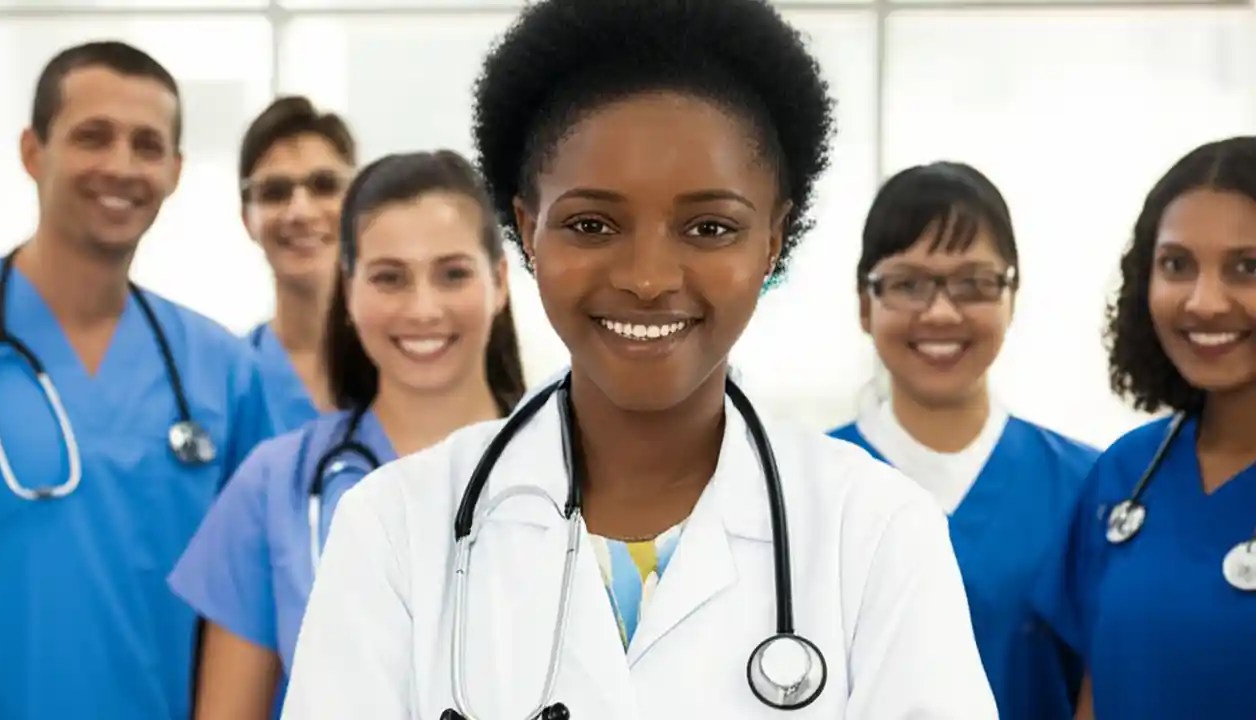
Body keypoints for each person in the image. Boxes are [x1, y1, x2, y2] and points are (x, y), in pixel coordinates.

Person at [280, 1, 998, 717]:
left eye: (709, 227)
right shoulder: (395, 529)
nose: (648, 278)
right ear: (528, 231)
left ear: (772, 242)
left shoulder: (875, 531)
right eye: (592, 224)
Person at [168, 150, 527, 720]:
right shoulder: (275, 486)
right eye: (389, 278)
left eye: (453, 273)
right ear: (349, 290)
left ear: (500, 281)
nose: (423, 308)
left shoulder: (570, 467)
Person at [0, 41, 273, 720]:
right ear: (32, 151)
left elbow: (250, 605)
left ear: (174, 171)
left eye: (147, 145)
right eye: (92, 136)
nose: (120, 165)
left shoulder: (224, 371)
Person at [827, 161, 1099, 719]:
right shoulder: (805, 488)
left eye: (974, 283)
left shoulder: (1091, 489)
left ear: (1012, 297)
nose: (941, 312)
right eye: (908, 284)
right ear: (863, 304)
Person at [1031, 136, 1256, 720]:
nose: (1204, 302)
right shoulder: (1127, 472)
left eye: (1247, 267)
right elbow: (1096, 693)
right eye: (1177, 265)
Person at [238, 96, 357, 431]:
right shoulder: (228, 380)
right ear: (247, 218)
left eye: (325, 186)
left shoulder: (401, 367)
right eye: (274, 192)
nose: (300, 212)